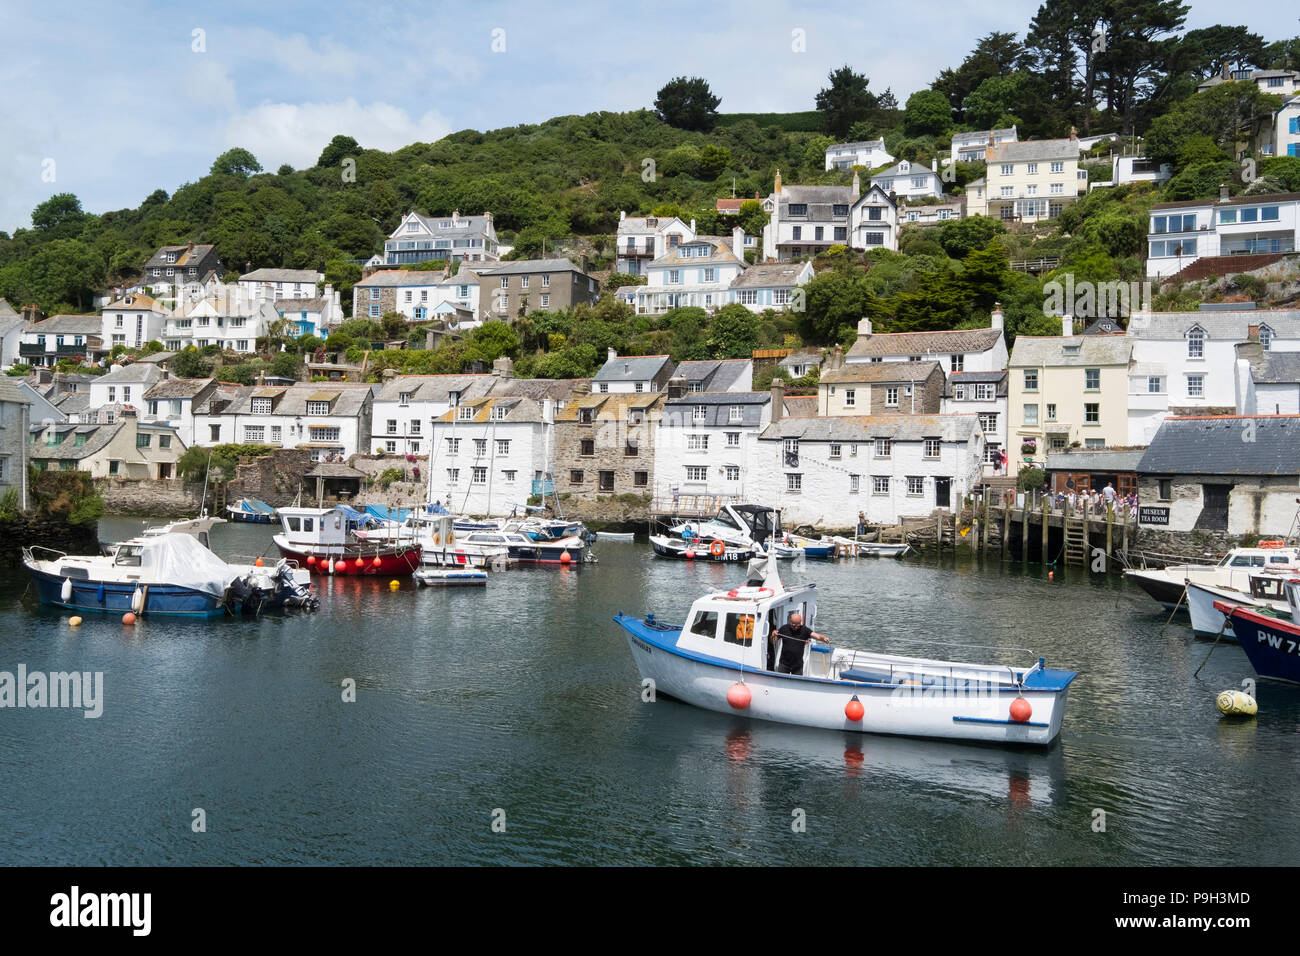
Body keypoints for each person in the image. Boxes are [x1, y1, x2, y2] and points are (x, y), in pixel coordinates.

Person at [771, 612, 828, 676]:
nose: (795, 627)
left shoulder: (804, 630)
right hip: (784, 664)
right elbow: (773, 641)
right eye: (793, 625)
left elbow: (817, 636)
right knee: (781, 682)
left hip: (797, 665)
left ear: (800, 623)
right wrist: (773, 635)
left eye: (798, 625)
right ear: (790, 621)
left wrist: (823, 638)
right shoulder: (784, 628)